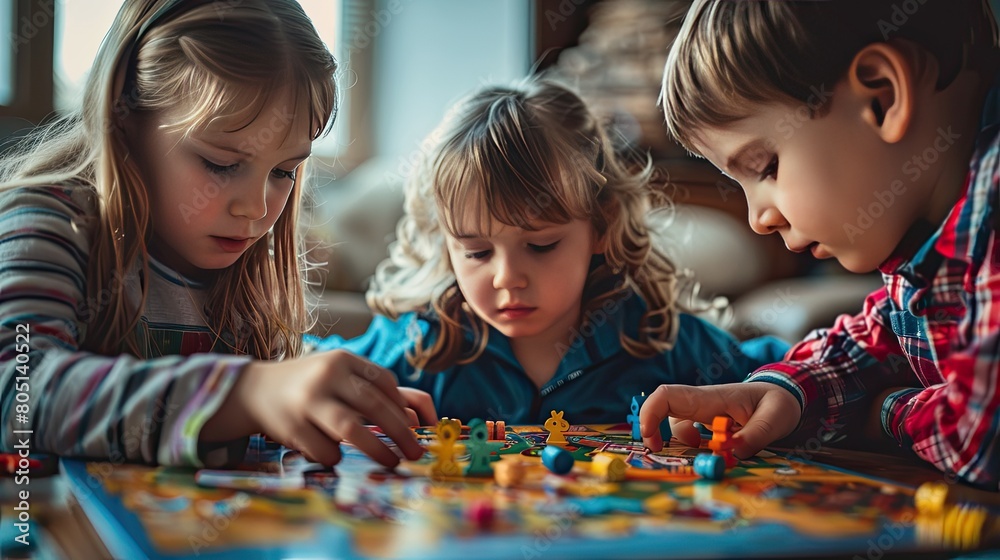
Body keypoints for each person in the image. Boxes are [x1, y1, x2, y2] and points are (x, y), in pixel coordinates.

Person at [0, 0, 436, 470]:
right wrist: (243, 393)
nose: (256, 208)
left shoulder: (242, 270)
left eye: (284, 171)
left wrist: (322, 396)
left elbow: (266, 382)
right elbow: (17, 394)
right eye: (221, 164)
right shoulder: (51, 224)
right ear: (125, 119)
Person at [642, 0, 1000, 489]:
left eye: (766, 167)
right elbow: (879, 342)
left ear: (883, 98)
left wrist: (880, 412)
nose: (758, 220)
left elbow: (981, 437)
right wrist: (786, 391)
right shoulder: (927, 241)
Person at [311, 78, 789, 424]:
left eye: (541, 245)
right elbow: (308, 367)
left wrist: (777, 390)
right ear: (446, 244)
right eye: (476, 252)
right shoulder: (419, 346)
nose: (507, 277)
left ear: (601, 226)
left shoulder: (664, 341)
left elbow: (788, 376)